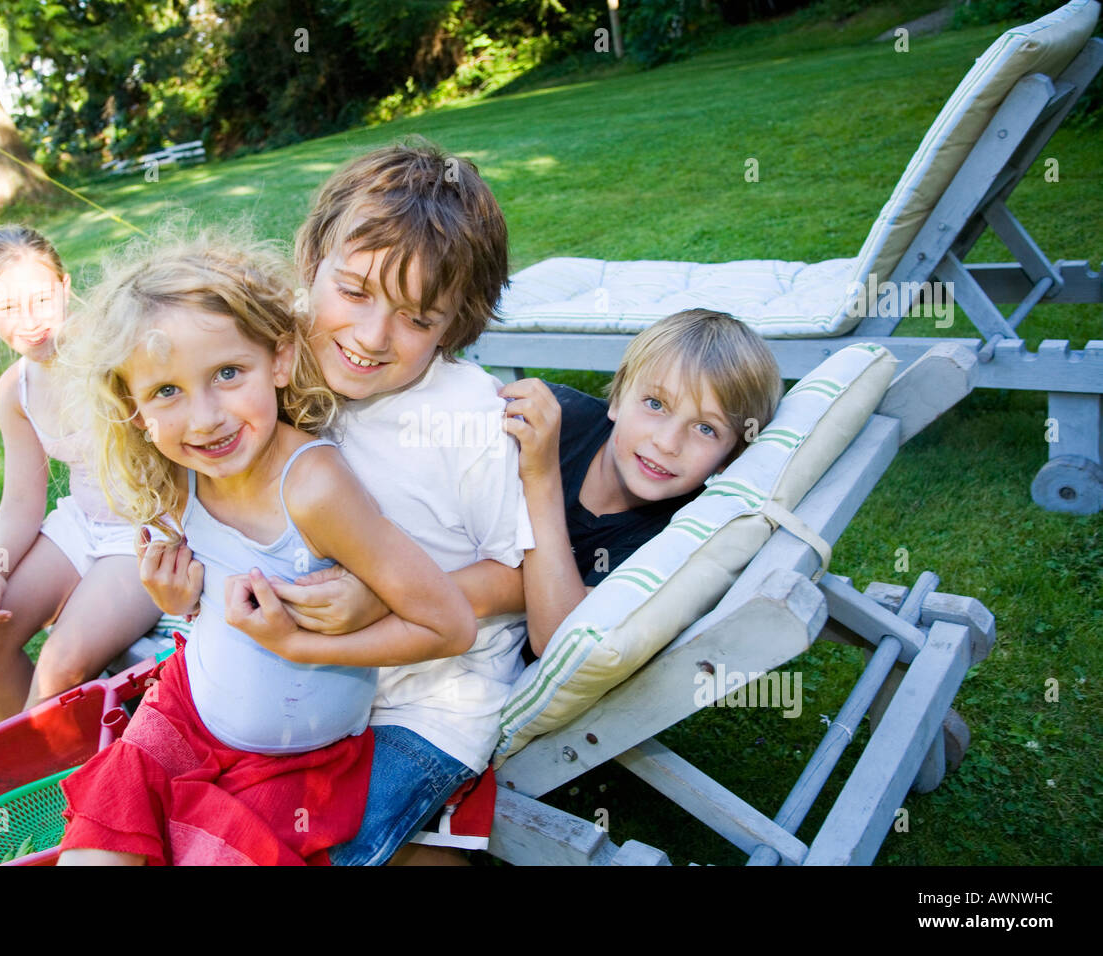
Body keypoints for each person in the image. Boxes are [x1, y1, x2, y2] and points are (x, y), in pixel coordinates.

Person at [54, 231, 476, 865]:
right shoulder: (178, 472)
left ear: (278, 361)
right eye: (166, 391)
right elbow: (225, 597)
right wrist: (182, 602)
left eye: (228, 373)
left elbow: (450, 624)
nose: (204, 418)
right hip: (182, 717)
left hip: (294, 763)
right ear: (135, 410)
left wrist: (301, 644)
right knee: (93, 856)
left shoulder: (311, 487)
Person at [266, 139, 533, 865]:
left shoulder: (470, 418)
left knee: (319, 851)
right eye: (352, 292)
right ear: (313, 261)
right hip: (308, 683)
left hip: (428, 705)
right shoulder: (278, 366)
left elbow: (517, 577)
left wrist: (382, 600)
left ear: (457, 322)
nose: (370, 337)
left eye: (417, 319)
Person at [0, 225, 162, 722]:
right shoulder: (16, 389)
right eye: (6, 307)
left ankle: (56, 781)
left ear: (65, 288)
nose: (29, 322)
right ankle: (57, 766)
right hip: (81, 524)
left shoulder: (113, 351)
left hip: (142, 530)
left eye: (41, 299)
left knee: (59, 668)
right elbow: (22, 501)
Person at [500, 308, 783, 655]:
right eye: (655, 404)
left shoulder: (669, 539)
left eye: (706, 428)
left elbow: (559, 641)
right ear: (618, 398)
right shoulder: (557, 418)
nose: (667, 443)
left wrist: (541, 481)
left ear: (729, 458)